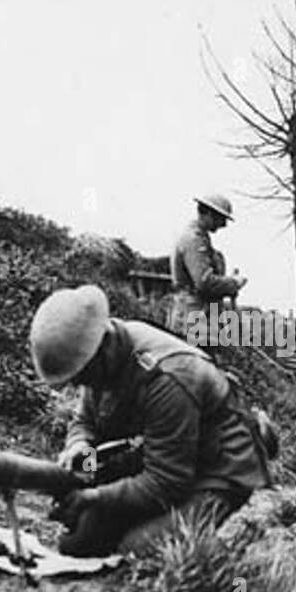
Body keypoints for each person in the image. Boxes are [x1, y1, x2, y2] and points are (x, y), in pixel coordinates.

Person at [29, 284, 270, 556]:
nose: (81, 385)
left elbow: (167, 482)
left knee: (140, 549)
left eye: (81, 377)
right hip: (167, 459)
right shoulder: (99, 356)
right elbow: (86, 421)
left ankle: (234, 556)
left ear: (102, 349)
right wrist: (80, 449)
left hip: (218, 471)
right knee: (79, 543)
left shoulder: (167, 377)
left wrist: (95, 497)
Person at [168, 195, 247, 340]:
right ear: (209, 214)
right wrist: (234, 283)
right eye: (221, 219)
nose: (223, 224)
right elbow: (204, 283)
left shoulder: (200, 238)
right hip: (193, 319)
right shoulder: (193, 240)